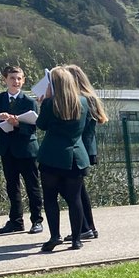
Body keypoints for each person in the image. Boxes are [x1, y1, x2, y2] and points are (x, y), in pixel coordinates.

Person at [35, 67, 92, 252]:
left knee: (50, 198)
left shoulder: (50, 104)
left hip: (51, 156)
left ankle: (54, 236)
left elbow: (41, 125)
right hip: (75, 156)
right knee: (75, 199)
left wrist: (43, 102)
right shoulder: (83, 102)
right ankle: (76, 240)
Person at [0, 65, 44, 235]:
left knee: (32, 186)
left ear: (23, 80)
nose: (16, 82)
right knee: (12, 187)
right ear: (5, 80)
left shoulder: (29, 101)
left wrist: (18, 124)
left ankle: (37, 220)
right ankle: (16, 221)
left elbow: (34, 127)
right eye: (12, 78)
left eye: (19, 78)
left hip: (27, 150)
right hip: (7, 149)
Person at [66, 65, 106, 240]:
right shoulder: (89, 97)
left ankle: (85, 228)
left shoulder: (82, 99)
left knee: (75, 192)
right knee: (80, 190)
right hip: (87, 147)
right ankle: (89, 227)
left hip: (80, 148)